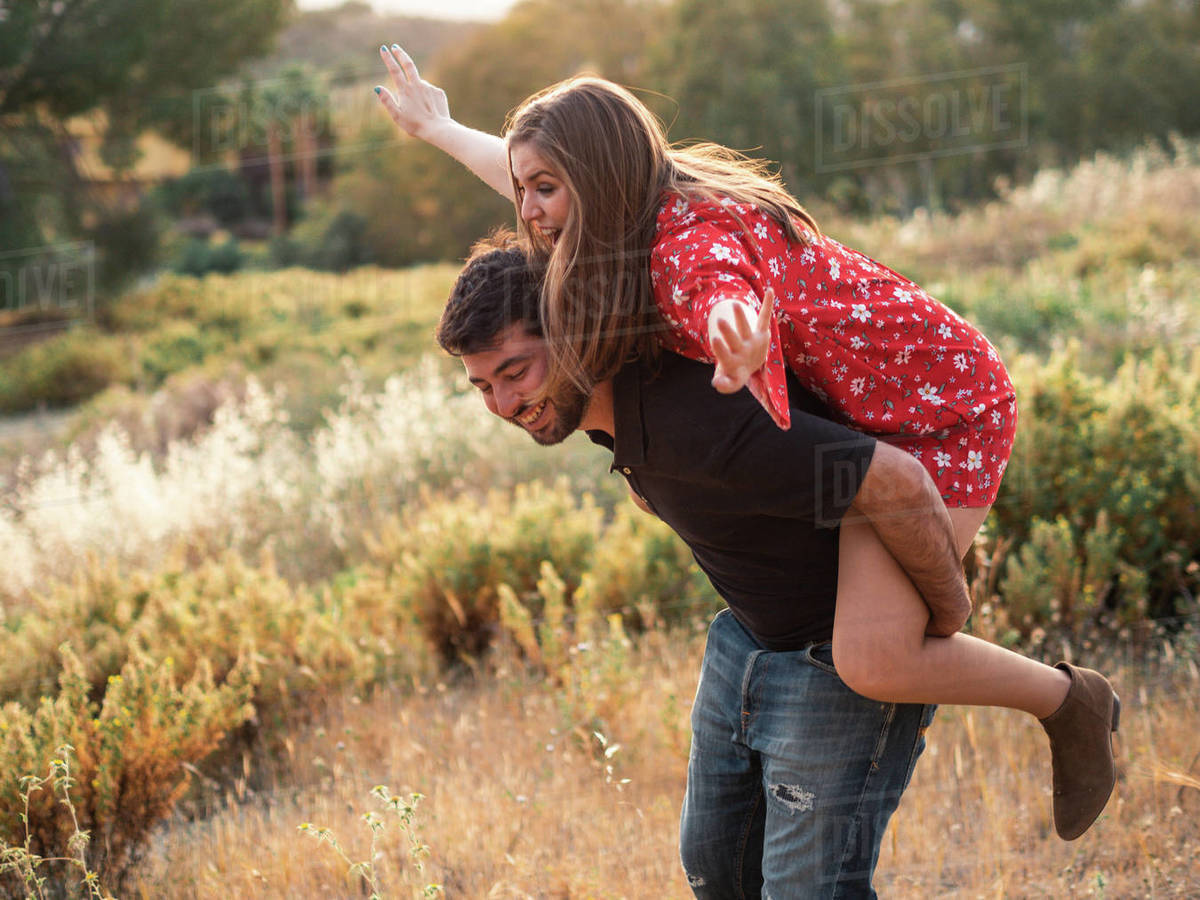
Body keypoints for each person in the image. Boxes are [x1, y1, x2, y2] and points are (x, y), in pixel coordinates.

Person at [374, 47, 1119, 843]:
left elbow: (715, 290)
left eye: (544, 189)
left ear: (599, 179)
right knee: (871, 616)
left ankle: (1068, 701)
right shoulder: (615, 214)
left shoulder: (683, 246)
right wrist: (444, 130)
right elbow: (525, 181)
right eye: (525, 188)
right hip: (869, 405)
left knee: (872, 658)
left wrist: (732, 336)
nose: (527, 210)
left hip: (940, 406)